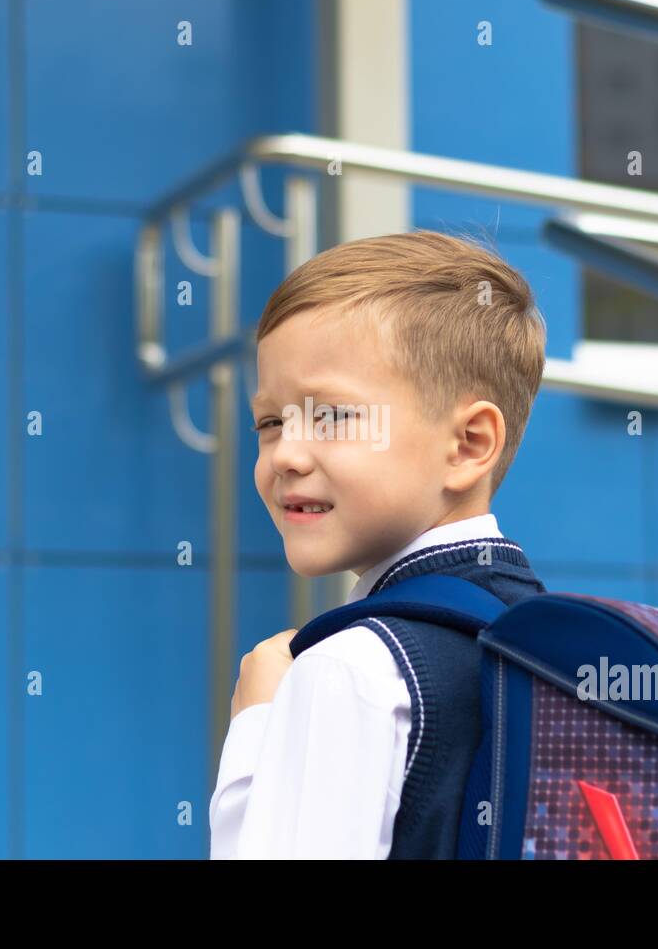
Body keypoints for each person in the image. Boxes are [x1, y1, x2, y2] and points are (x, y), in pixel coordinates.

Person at [210, 230, 548, 858]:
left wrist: (256, 727)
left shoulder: (351, 669)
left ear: (470, 444)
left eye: (332, 415)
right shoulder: (543, 643)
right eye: (270, 421)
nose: (285, 452)